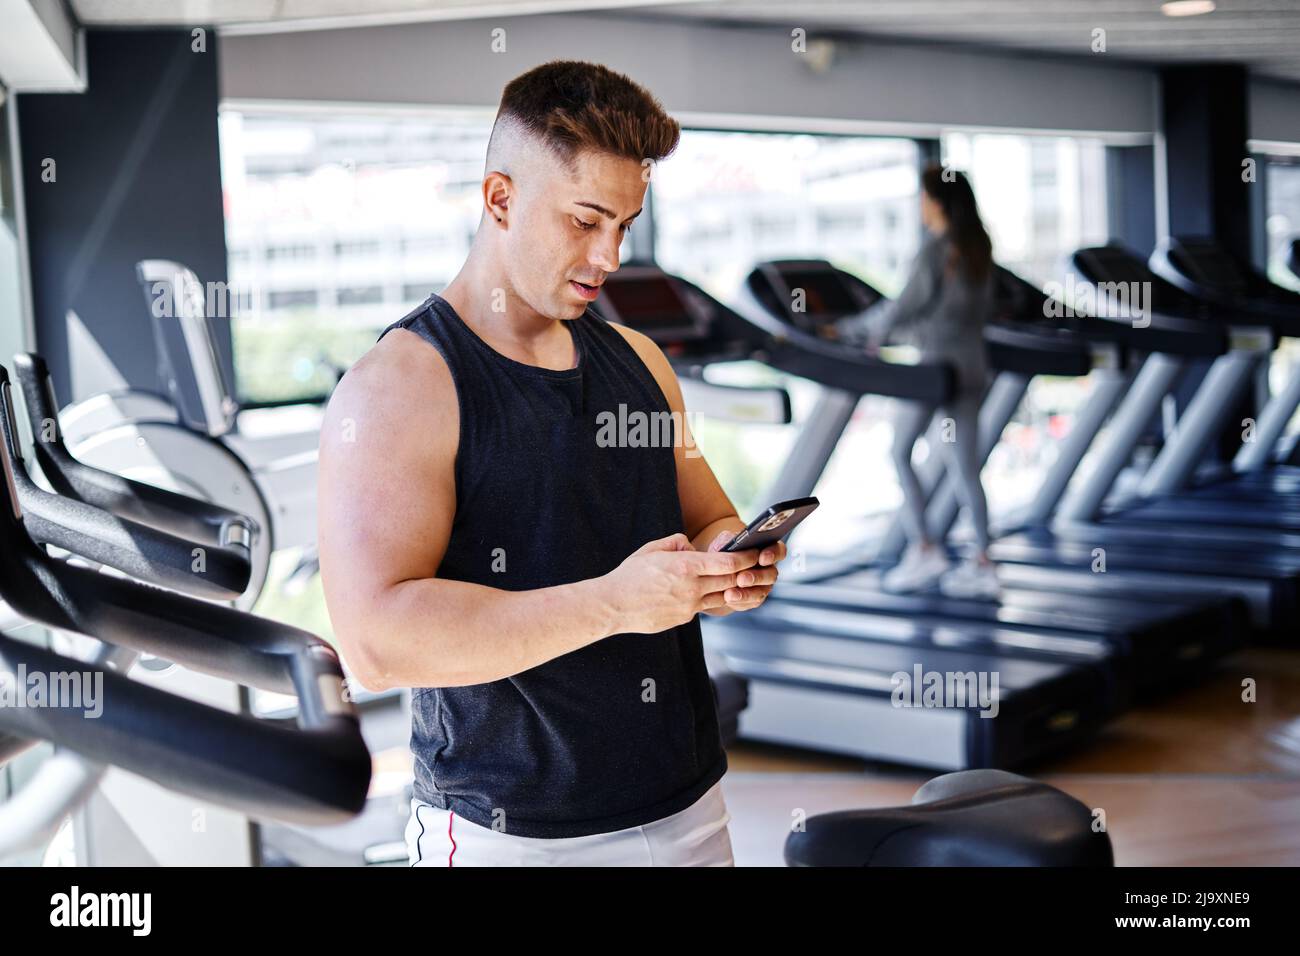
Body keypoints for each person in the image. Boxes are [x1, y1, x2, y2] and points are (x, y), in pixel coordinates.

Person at [317, 60, 785, 867]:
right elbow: (377, 644)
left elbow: (707, 517)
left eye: (625, 225)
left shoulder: (640, 359)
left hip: (688, 806)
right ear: (501, 198)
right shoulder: (403, 385)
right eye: (585, 220)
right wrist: (614, 604)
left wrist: (725, 564)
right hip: (516, 835)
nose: (608, 256)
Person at [835, 166, 999, 599]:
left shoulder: (934, 250)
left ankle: (925, 547)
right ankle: (984, 560)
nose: (919, 206)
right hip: (973, 364)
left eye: (923, 198)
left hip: (936, 369)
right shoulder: (977, 245)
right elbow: (956, 310)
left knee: (899, 450)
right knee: (965, 465)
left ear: (938, 203)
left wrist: (847, 328)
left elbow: (900, 309)